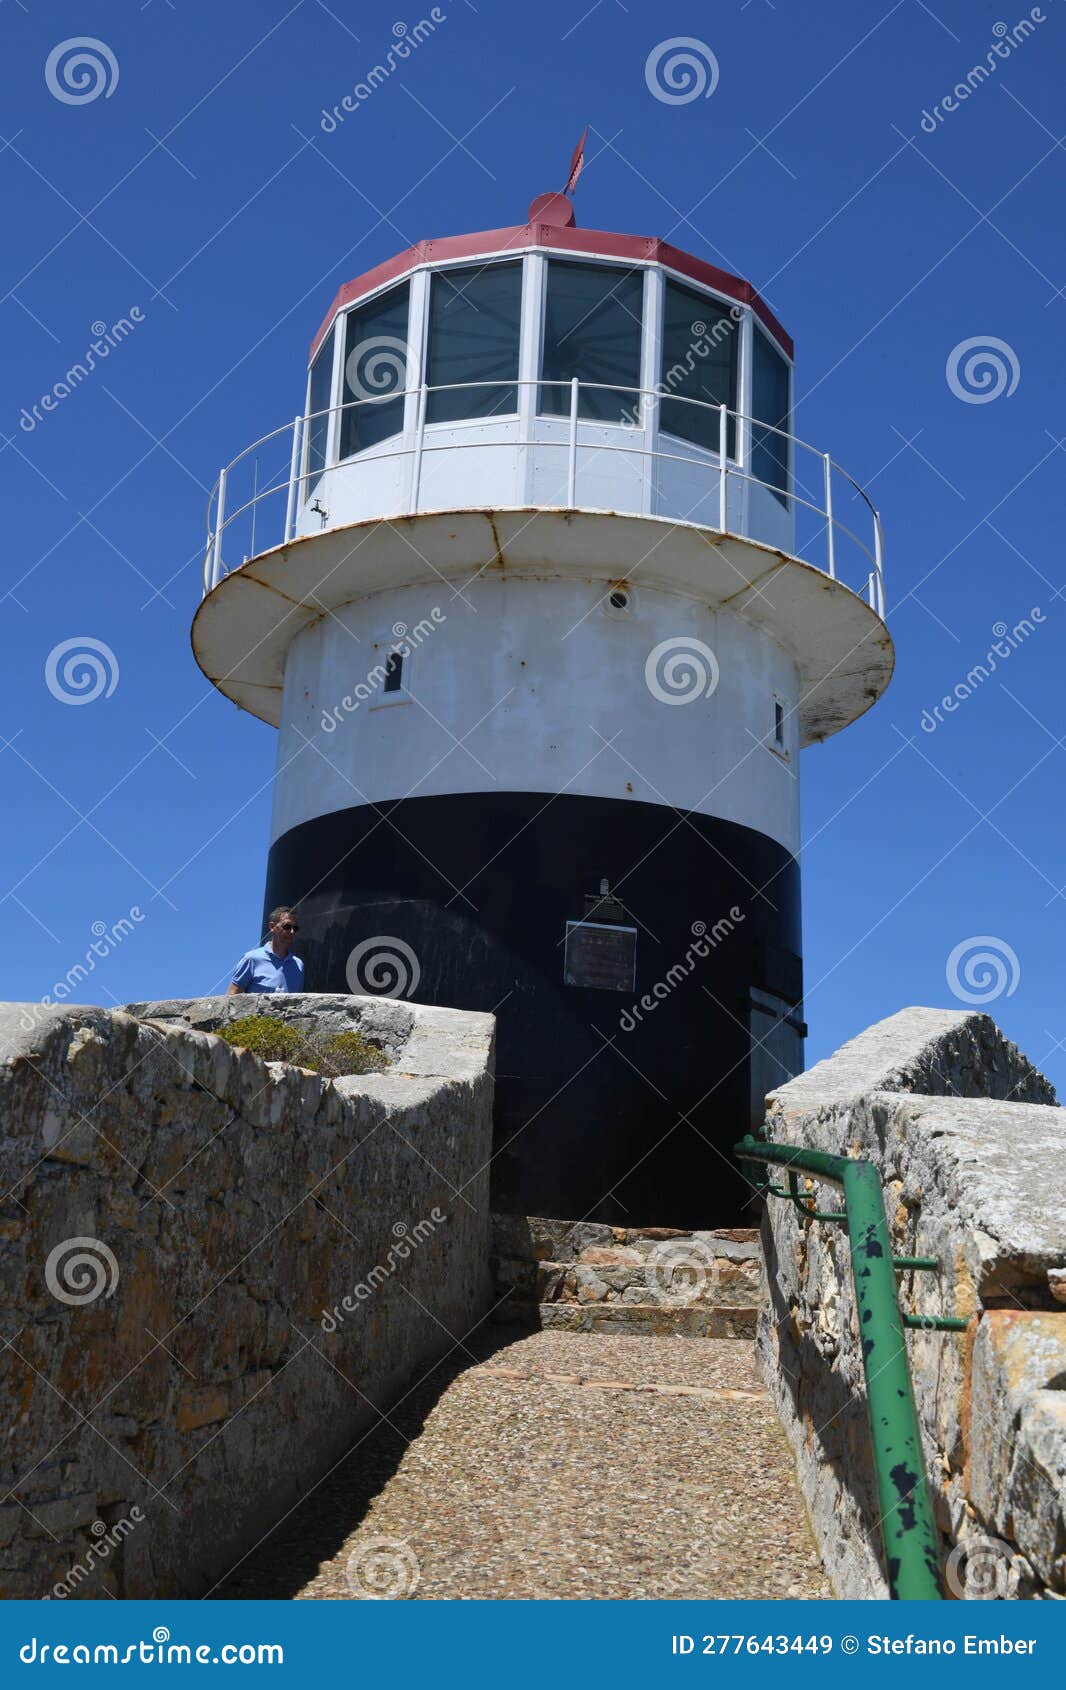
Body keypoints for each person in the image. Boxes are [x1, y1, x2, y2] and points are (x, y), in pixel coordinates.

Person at [228, 907, 305, 995]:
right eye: (287, 926)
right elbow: (232, 995)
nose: (292, 931)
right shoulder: (251, 959)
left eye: (295, 928)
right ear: (272, 927)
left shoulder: (298, 965)